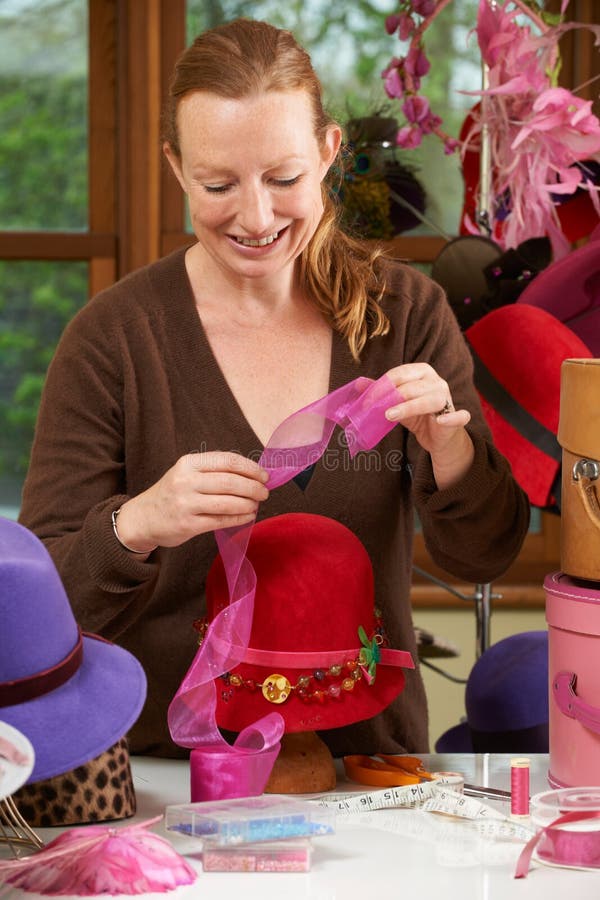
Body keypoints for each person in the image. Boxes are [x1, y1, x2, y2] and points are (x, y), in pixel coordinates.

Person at [19, 18, 530, 759]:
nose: (255, 218)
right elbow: (39, 612)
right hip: (169, 777)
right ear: (176, 167)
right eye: (218, 185)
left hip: (370, 775)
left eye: (283, 179)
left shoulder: (404, 316)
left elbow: (484, 556)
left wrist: (451, 454)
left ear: (327, 152)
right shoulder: (113, 341)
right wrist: (138, 524)